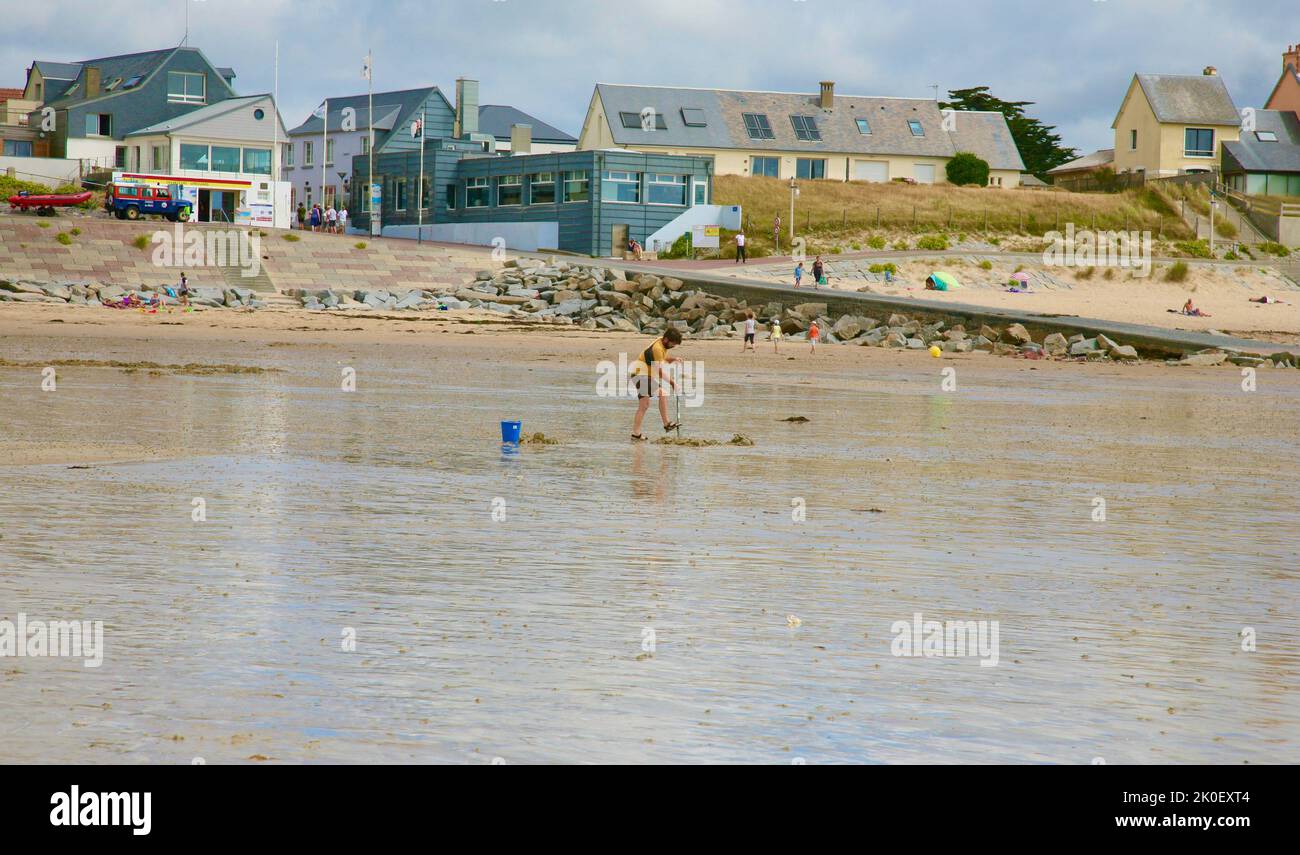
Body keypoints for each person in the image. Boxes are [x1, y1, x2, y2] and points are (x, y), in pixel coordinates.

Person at [629, 327, 683, 440]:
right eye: (673, 344)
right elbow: (659, 372)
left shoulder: (661, 342)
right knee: (663, 393)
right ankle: (667, 424)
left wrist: (672, 359)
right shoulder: (657, 348)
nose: (673, 346)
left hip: (640, 374)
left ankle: (636, 434)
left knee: (644, 406)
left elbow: (660, 359)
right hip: (641, 375)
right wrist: (673, 383)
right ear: (666, 340)